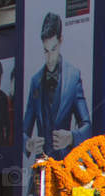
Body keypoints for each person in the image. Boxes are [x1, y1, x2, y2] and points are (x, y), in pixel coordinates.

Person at [22, 11, 92, 171]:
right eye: (45, 51)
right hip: (41, 170)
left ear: (60, 41)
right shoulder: (35, 81)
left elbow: (87, 125)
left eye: (53, 49)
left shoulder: (73, 77)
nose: (50, 58)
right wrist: (28, 143)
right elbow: (23, 130)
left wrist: (72, 137)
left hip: (66, 167)